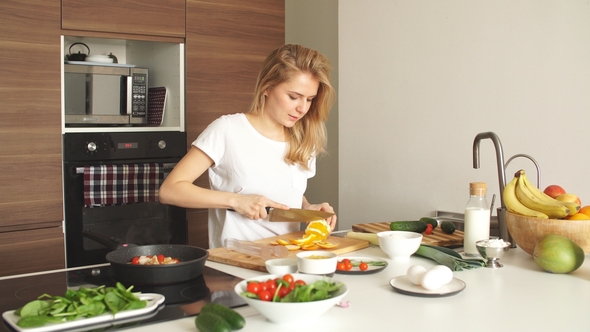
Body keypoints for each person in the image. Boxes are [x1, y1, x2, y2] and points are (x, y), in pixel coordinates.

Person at [159, 44, 337, 249]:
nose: (302, 108)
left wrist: (307, 208)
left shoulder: (304, 139)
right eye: (294, 97)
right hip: (236, 263)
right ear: (267, 87)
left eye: (310, 99)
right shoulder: (227, 130)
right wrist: (236, 201)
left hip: (287, 262)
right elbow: (170, 190)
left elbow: (282, 188)